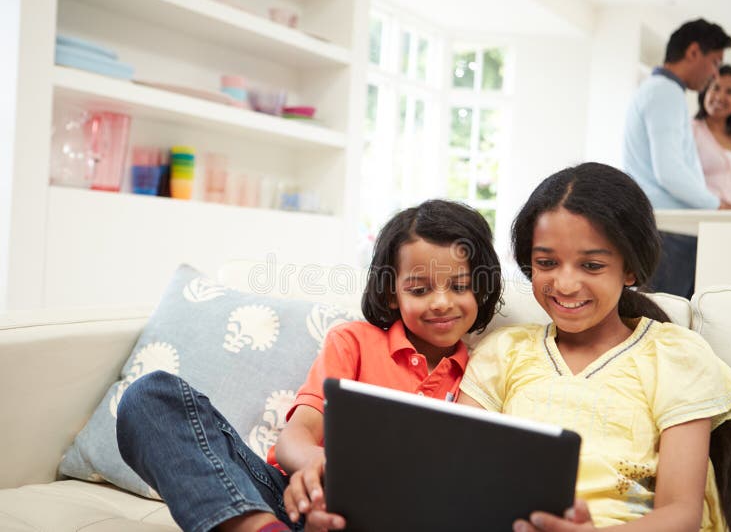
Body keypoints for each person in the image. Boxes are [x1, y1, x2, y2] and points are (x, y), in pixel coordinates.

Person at [116, 199, 503, 532]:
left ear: (481, 289)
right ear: (390, 294)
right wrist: (320, 470)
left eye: (459, 286)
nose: (440, 303)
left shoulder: (480, 375)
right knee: (148, 398)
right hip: (288, 500)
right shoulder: (353, 342)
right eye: (419, 290)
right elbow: (294, 437)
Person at [458, 163, 731, 531]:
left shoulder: (673, 355)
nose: (566, 284)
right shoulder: (503, 351)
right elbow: (458, 472)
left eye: (591, 264)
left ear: (629, 270)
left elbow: (681, 514)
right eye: (547, 263)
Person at [622, 18, 731, 299]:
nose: (715, 74)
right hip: (670, 231)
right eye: (714, 62)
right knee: (665, 322)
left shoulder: (659, 90)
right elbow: (670, 171)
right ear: (692, 52)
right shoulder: (665, 93)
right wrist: (719, 205)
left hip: (666, 228)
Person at [693, 64, 731, 208]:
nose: (720, 97)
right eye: (715, 88)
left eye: (730, 92)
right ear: (705, 90)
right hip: (705, 217)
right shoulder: (690, 131)